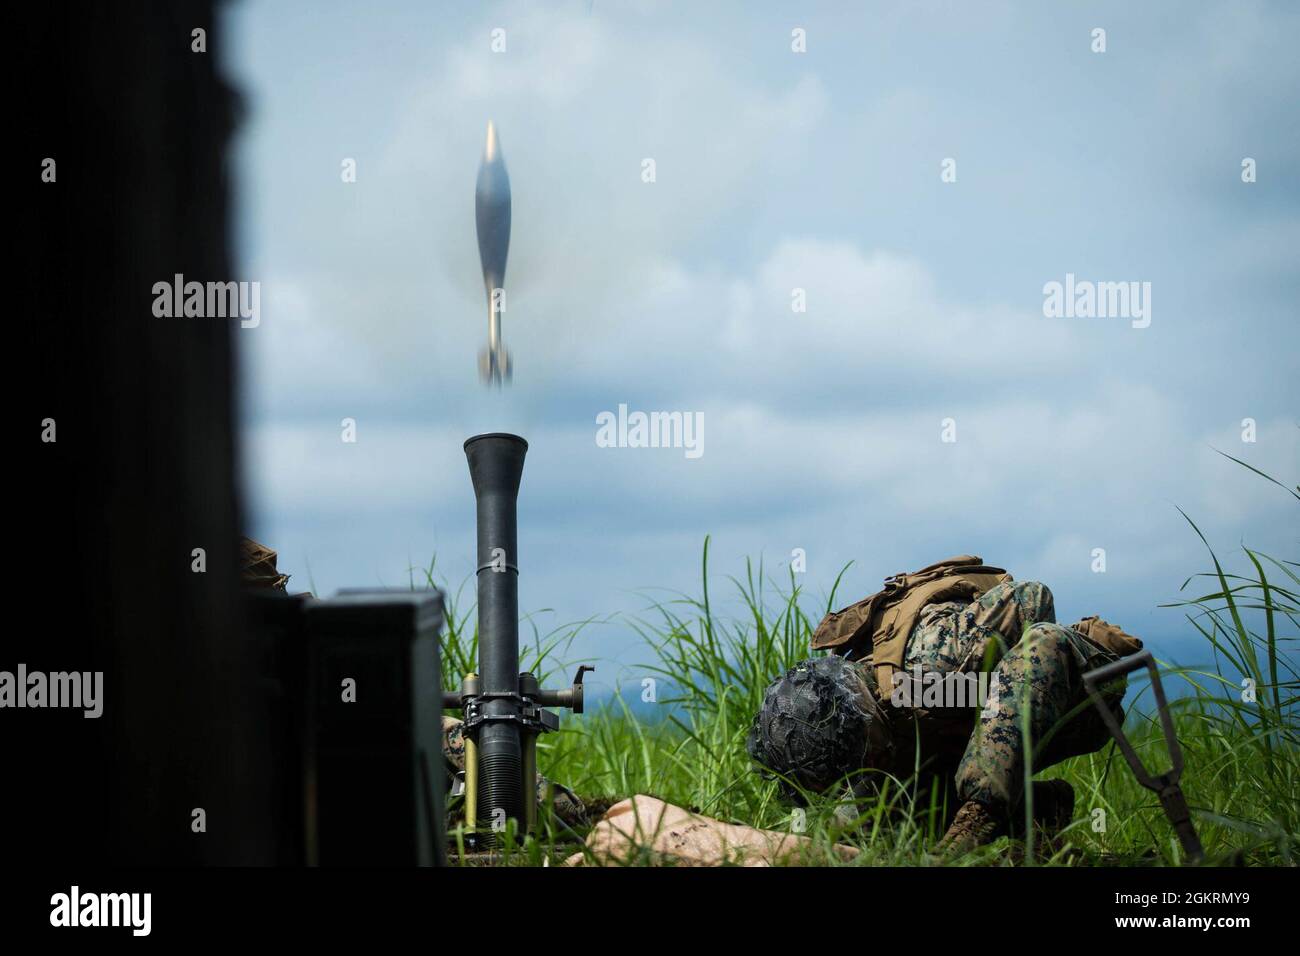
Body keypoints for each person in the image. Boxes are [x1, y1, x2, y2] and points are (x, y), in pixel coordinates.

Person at [746, 562, 1138, 853]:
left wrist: (986, 702)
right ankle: (1038, 809)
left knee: (1043, 643)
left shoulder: (929, 666)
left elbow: (1033, 595)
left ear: (866, 731)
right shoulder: (837, 714)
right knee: (867, 829)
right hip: (953, 729)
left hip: (1078, 695)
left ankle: (980, 815)